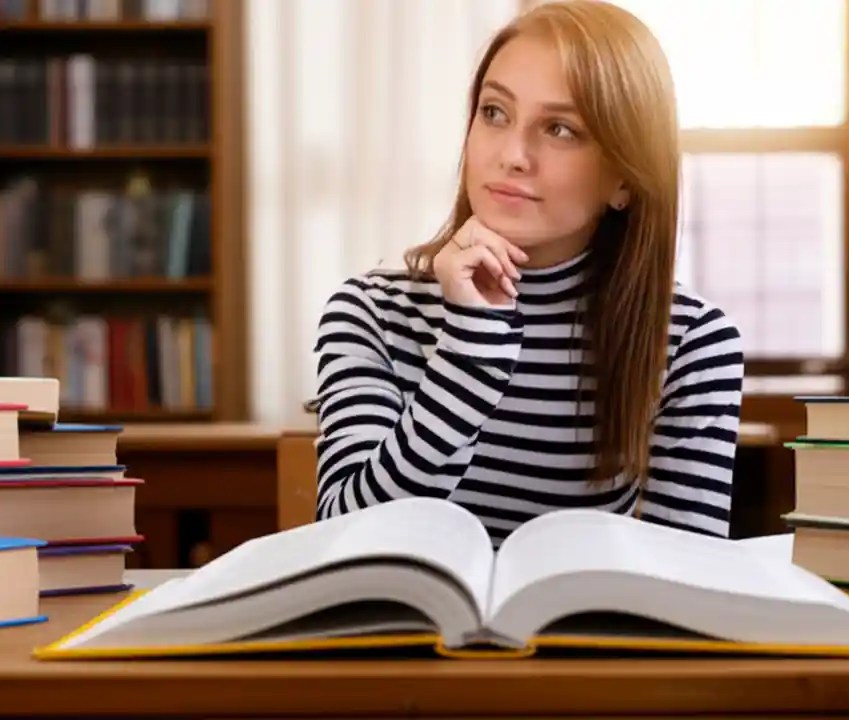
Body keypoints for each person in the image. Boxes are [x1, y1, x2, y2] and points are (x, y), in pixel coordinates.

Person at [311, 0, 744, 546]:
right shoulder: (371, 311)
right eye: (494, 113)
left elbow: (682, 585)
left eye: (560, 129)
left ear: (625, 182)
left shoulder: (691, 344)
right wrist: (470, 349)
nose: (512, 154)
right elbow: (347, 538)